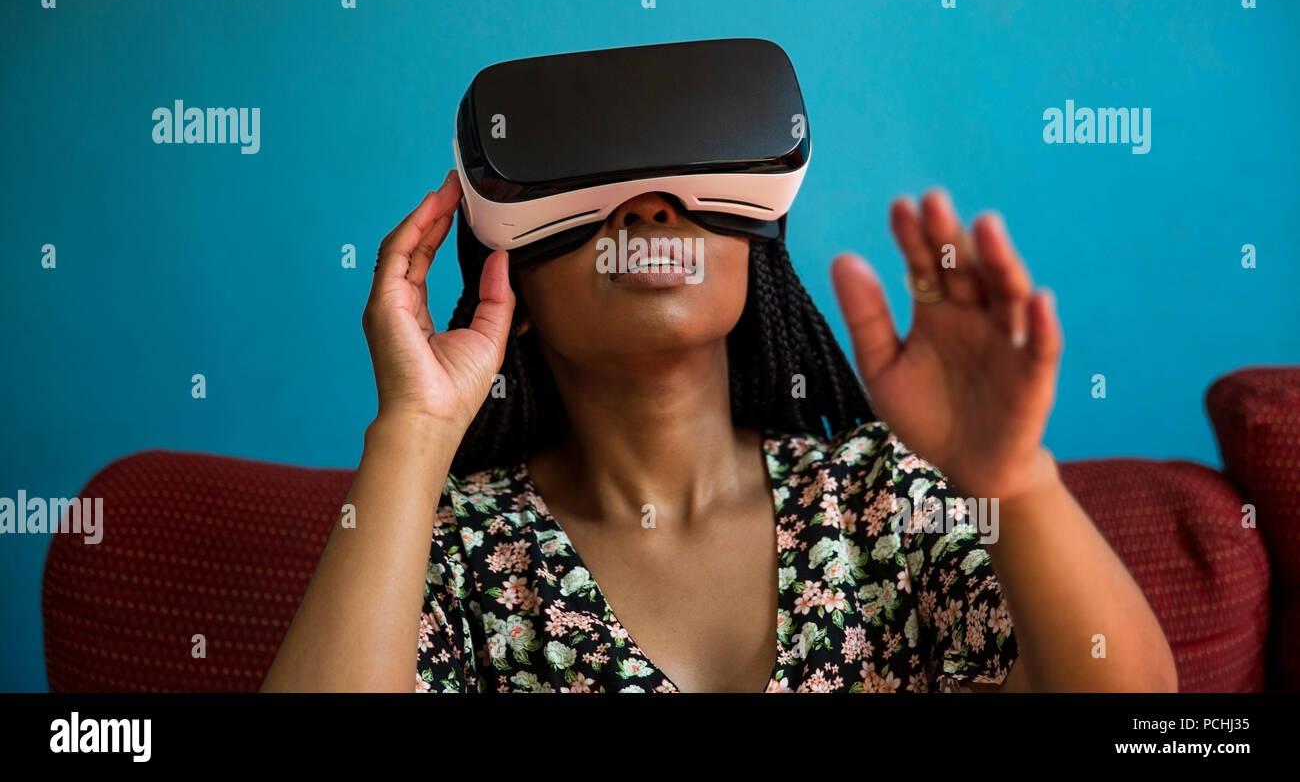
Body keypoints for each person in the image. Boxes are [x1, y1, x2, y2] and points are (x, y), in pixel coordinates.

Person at [261, 171, 1178, 693]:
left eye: (684, 185)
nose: (649, 209)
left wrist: (1015, 478)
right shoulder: (449, 543)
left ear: (753, 252)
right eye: (588, 188)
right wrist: (413, 428)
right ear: (517, 292)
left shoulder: (878, 497)